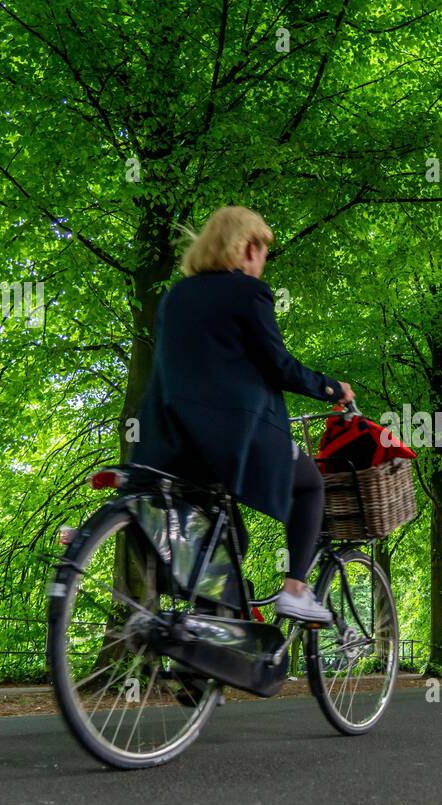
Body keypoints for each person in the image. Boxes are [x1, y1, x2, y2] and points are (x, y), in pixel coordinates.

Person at [131, 205, 353, 624]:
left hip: (170, 441)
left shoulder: (176, 297)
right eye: (264, 250)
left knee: (229, 538)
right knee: (309, 486)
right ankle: (295, 591)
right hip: (231, 438)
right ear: (248, 248)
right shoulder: (247, 292)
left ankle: (208, 638)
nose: (263, 261)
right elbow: (278, 366)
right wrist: (330, 388)